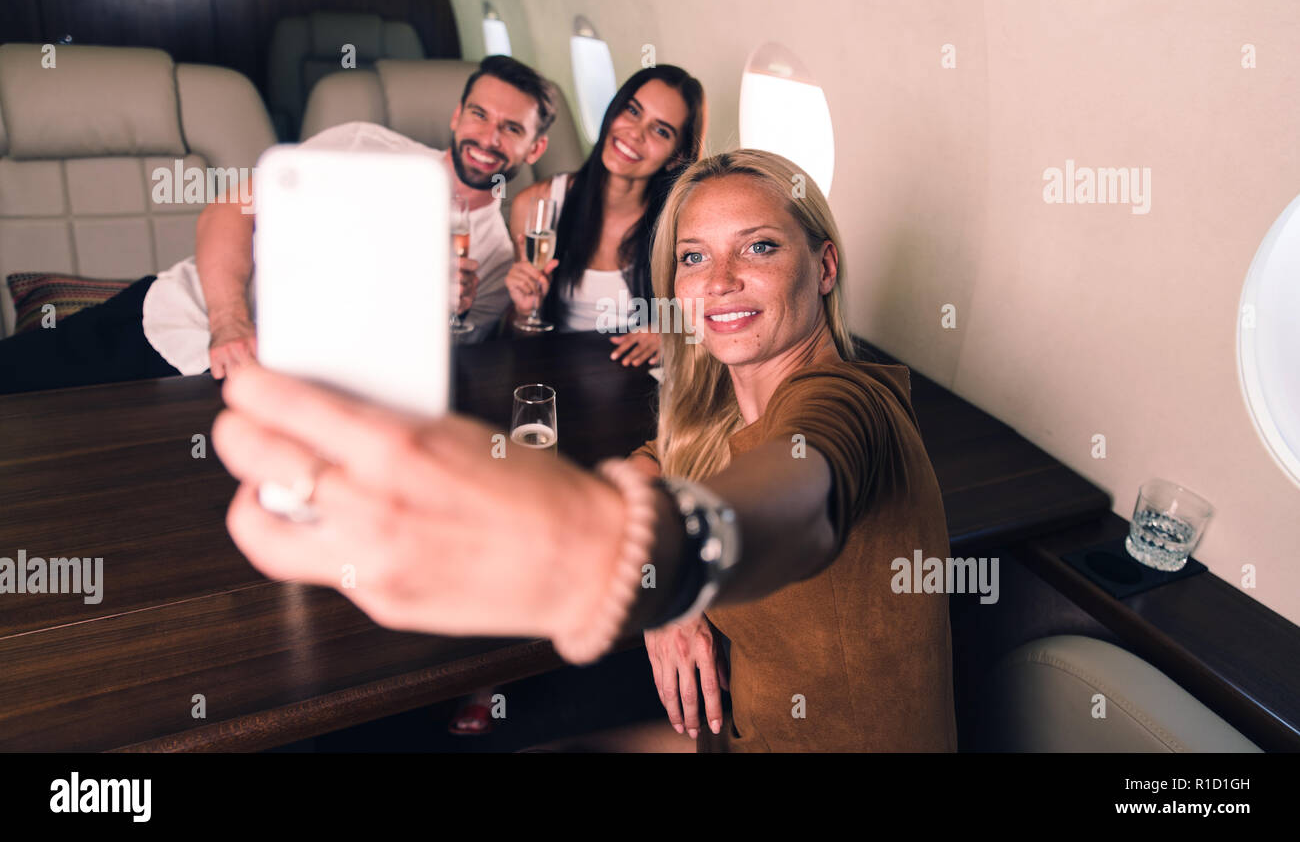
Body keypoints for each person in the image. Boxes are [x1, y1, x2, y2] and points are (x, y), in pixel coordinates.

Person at [211, 149, 959, 752]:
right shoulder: (729, 408)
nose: (722, 279)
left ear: (823, 267)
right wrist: (673, 599)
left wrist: (614, 552)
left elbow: (799, 498)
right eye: (694, 258)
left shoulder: (849, 402)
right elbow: (664, 455)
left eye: (758, 247)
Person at [0, 55, 558, 394]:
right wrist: (229, 322)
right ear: (456, 116)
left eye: (512, 129)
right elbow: (228, 212)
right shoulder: (363, 144)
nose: (488, 138)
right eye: (480, 115)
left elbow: (427, 365)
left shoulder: (499, 256)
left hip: (287, 388)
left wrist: (446, 308)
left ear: (536, 146)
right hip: (178, 325)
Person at [504, 65, 706, 368]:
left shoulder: (683, 223)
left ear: (676, 156)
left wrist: (674, 333)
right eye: (632, 111)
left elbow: (713, 320)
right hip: (556, 375)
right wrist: (523, 312)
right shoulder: (535, 205)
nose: (635, 133)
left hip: (643, 385)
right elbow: (516, 345)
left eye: (660, 130)